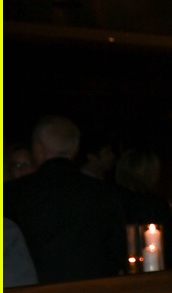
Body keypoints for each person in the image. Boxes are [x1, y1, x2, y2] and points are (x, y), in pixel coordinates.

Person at [2, 115, 126, 283]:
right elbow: (118, 253)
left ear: (38, 149)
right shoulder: (105, 193)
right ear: (75, 149)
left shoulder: (14, 194)